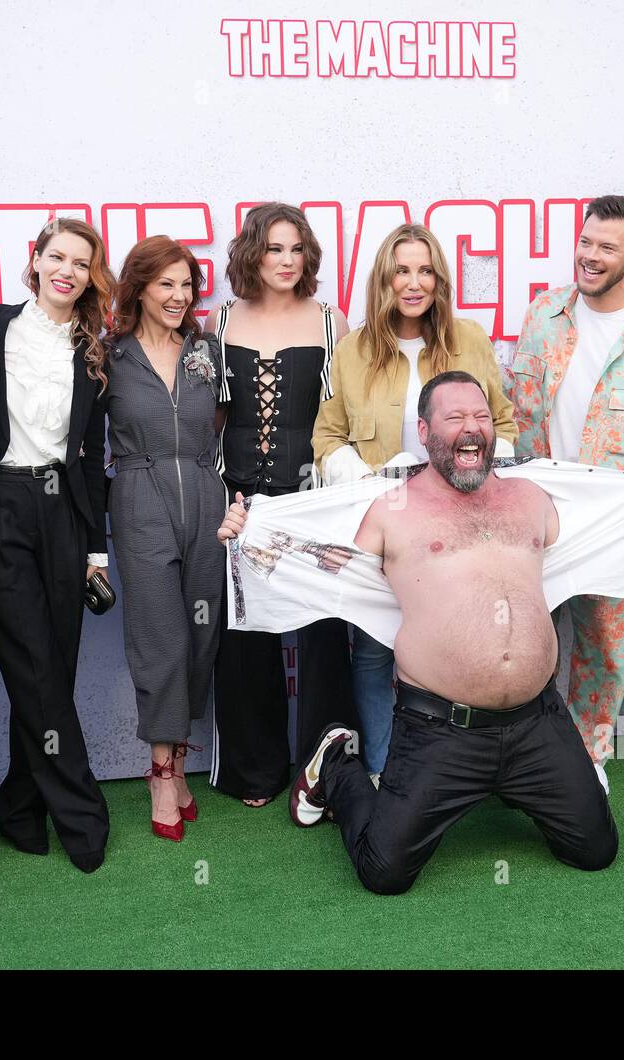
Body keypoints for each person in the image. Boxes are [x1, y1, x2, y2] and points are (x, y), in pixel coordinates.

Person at [221, 372, 620, 894]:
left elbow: (610, 519)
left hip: (536, 722)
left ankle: (514, 786)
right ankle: (337, 767)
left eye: (480, 416)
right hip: (441, 731)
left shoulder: (532, 498)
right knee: (383, 873)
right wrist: (248, 530)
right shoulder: (390, 511)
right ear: (425, 431)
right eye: (454, 418)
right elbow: (318, 557)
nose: (471, 428)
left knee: (595, 851)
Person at [311, 223, 516, 778]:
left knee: (459, 641)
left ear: (439, 278)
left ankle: (458, 771)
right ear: (384, 278)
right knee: (377, 652)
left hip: (459, 524)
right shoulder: (352, 351)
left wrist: (482, 469)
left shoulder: (469, 340)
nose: (414, 282)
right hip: (386, 528)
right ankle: (383, 771)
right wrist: (366, 479)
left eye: (425, 270)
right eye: (402, 270)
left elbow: (502, 422)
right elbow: (326, 436)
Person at [506, 195, 624, 792]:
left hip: (615, 521)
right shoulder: (543, 314)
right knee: (522, 640)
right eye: (586, 242)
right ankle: (514, 761)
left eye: (607, 247)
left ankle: (585, 766)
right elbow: (513, 413)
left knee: (607, 650)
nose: (589, 256)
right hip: (535, 510)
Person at [0, 218, 115, 872]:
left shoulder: (94, 351)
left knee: (53, 663)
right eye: (57, 256)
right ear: (34, 261)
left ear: (90, 275)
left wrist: (96, 549)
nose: (67, 270)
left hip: (64, 511)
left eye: (80, 263)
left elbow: (90, 458)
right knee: (32, 661)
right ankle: (82, 814)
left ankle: (21, 805)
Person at [204, 203, 357, 806]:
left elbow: (341, 416)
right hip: (240, 497)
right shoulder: (221, 318)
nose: (287, 261)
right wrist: (220, 497)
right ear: (252, 254)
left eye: (296, 249)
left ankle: (326, 768)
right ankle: (254, 770)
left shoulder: (329, 320)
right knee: (246, 634)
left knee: (322, 636)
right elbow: (212, 416)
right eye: (274, 249)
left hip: (311, 499)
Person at [106, 235, 229, 841]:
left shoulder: (205, 350)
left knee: (202, 635)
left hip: (206, 494)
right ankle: (159, 773)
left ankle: (178, 764)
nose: (179, 296)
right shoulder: (109, 356)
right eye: (166, 285)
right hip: (138, 495)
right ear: (140, 289)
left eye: (187, 285)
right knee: (160, 638)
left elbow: (221, 425)